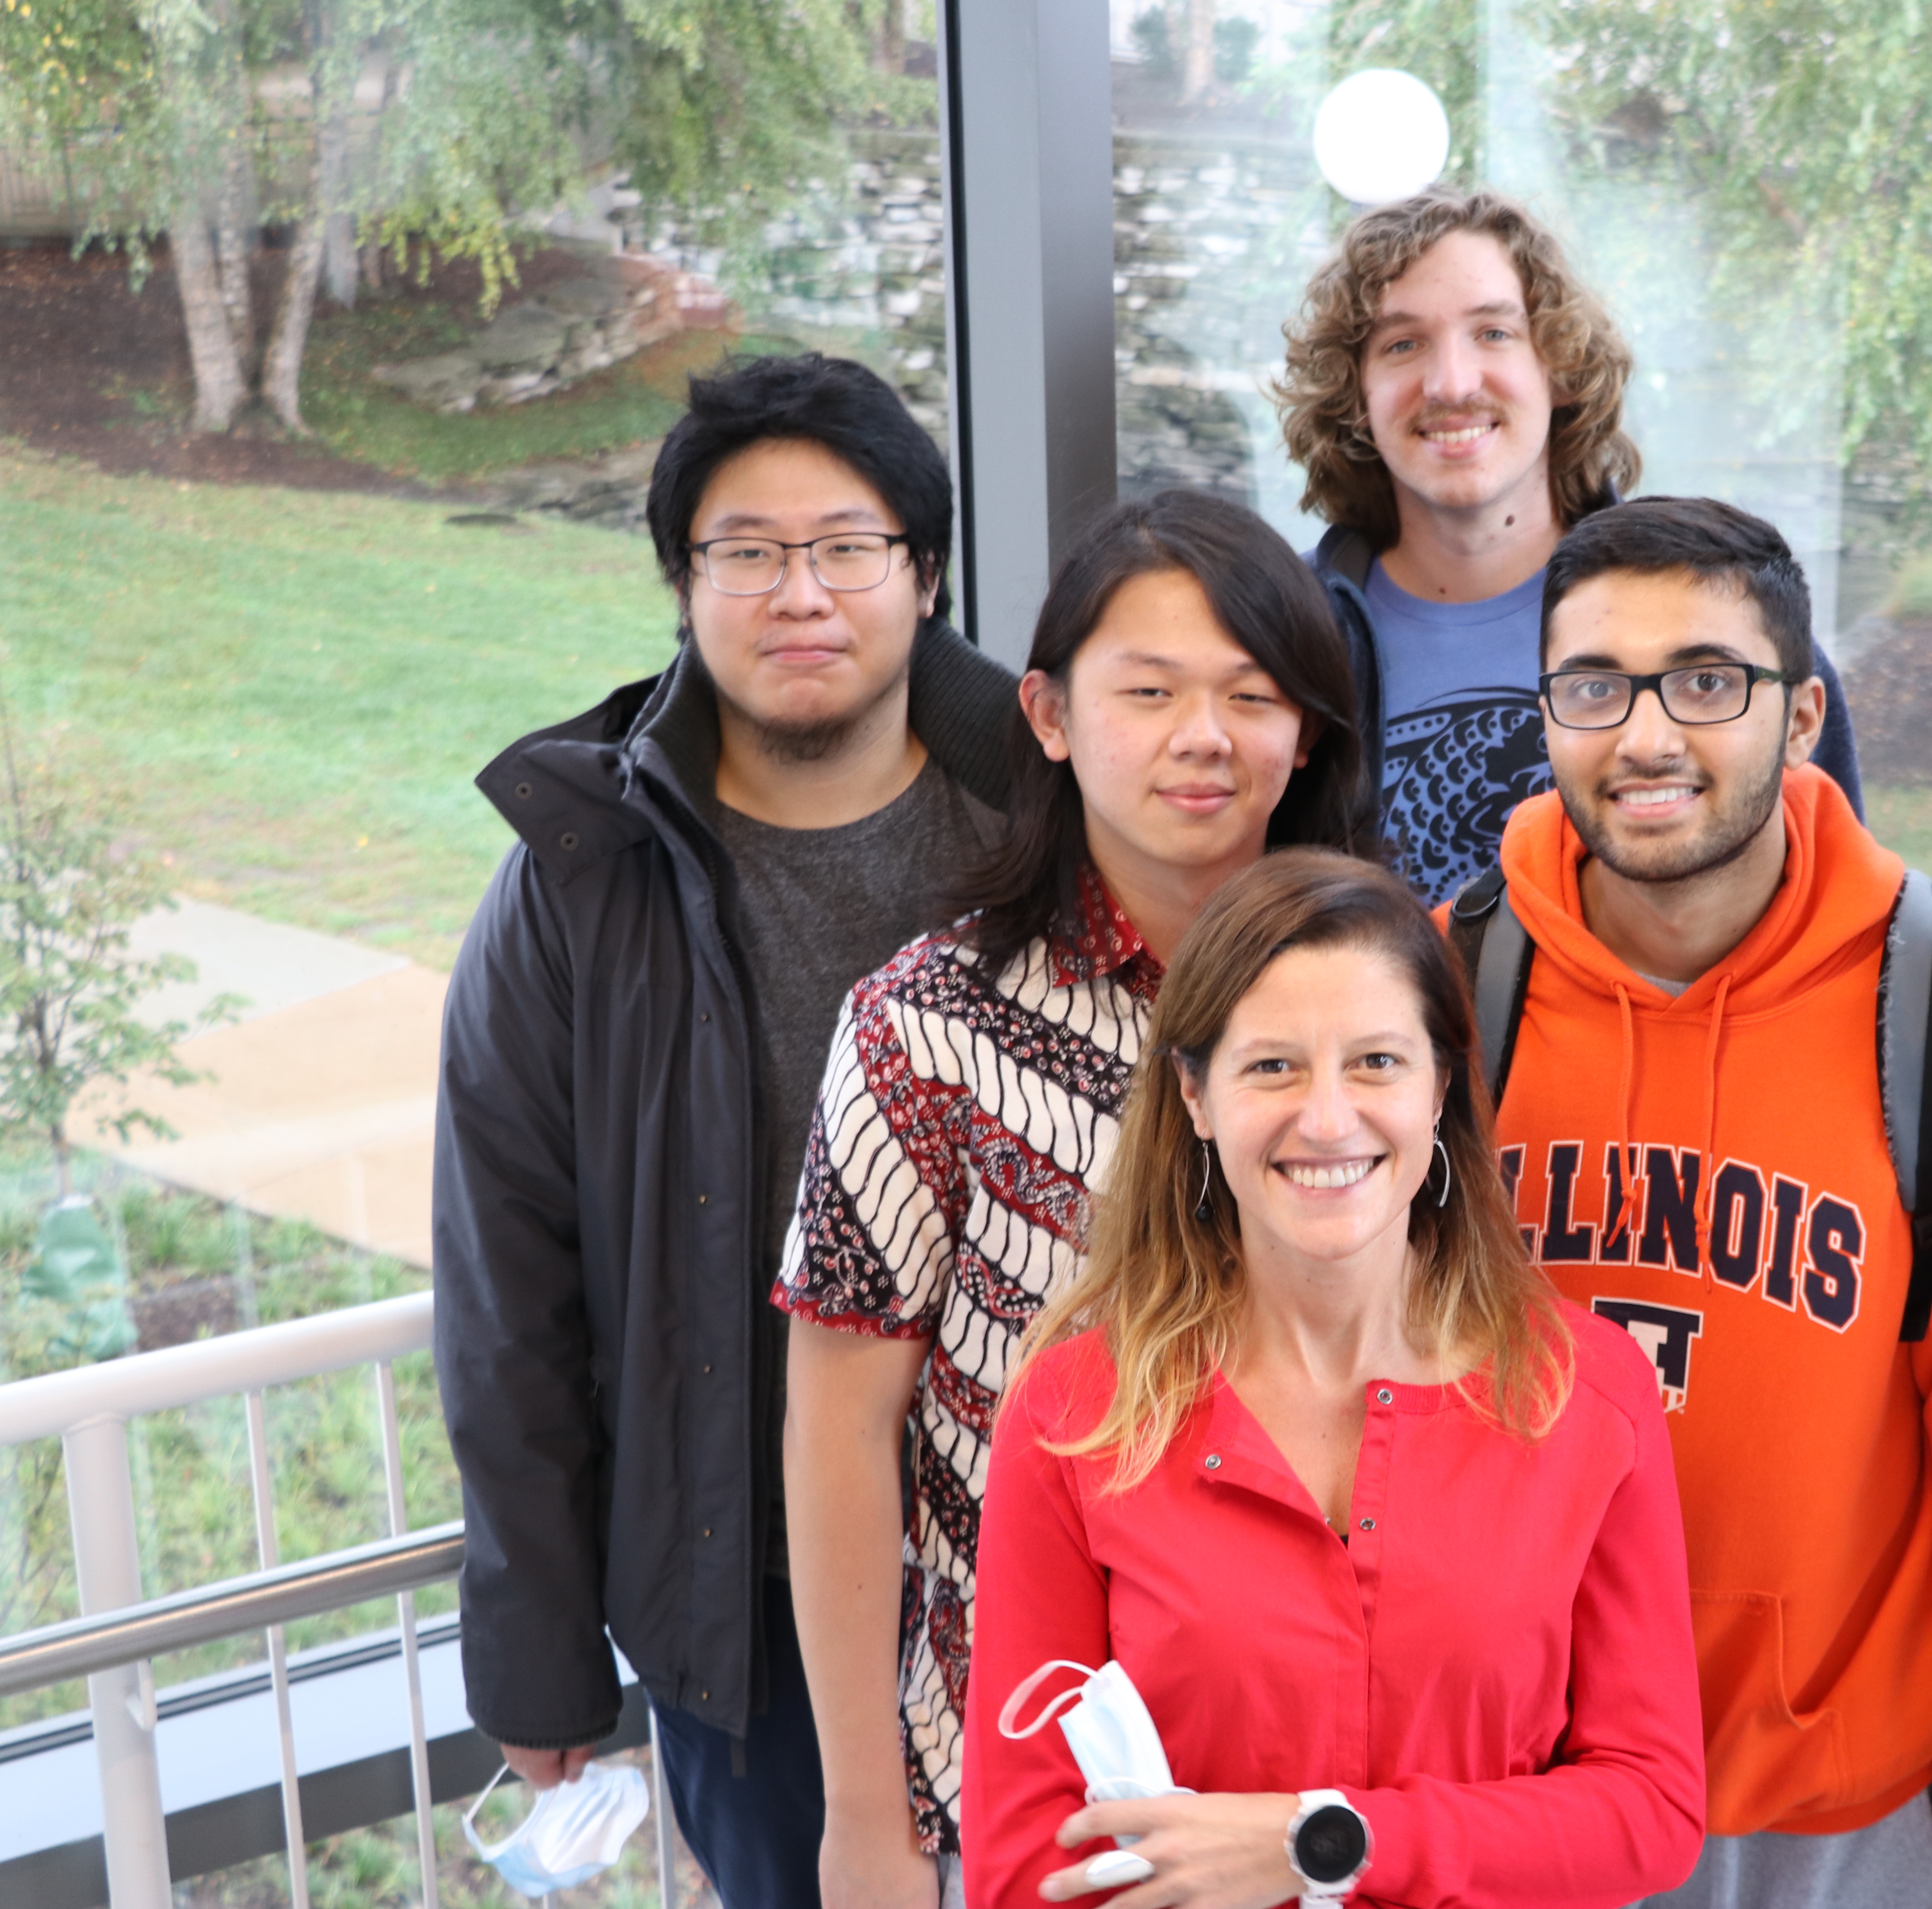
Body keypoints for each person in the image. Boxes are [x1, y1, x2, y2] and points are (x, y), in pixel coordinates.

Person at [432, 351, 1021, 1906]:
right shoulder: (581, 880)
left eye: (846, 547)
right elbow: (511, 1299)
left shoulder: (1053, 822)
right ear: (685, 585)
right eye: (746, 552)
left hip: (1063, 1559)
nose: (798, 592)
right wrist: (541, 1658)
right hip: (747, 1593)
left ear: (925, 572)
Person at [1460, 496, 1932, 1907]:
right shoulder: (1455, 992)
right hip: (1509, 1787)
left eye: (1706, 681)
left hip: (1830, 1819)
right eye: (1593, 686)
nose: (1644, 736)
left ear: (1804, 714)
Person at [773, 491, 1376, 1909]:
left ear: (1308, 731)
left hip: (1334, 1762)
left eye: (1251, 693)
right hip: (1039, 1766)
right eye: (1150, 690)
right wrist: (867, 1816)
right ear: (1048, 714)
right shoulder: (922, 1027)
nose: (1205, 737)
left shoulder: (1398, 1000)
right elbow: (842, 1431)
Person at [960, 849, 1709, 1909]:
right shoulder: (1075, 1417)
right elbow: (1025, 1861)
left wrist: (1328, 1839)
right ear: (1195, 1093)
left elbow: (1651, 1810)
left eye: (1375, 1062)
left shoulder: (1589, 1391)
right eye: (1272, 1066)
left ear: (1441, 1087)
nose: (1326, 1118)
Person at [1272, 186, 1864, 904]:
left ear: (1558, 367)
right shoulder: (1284, 640)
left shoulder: (1730, 625)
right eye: (1403, 344)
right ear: (1354, 394)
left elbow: (1831, 917)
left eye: (1494, 333)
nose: (1452, 382)